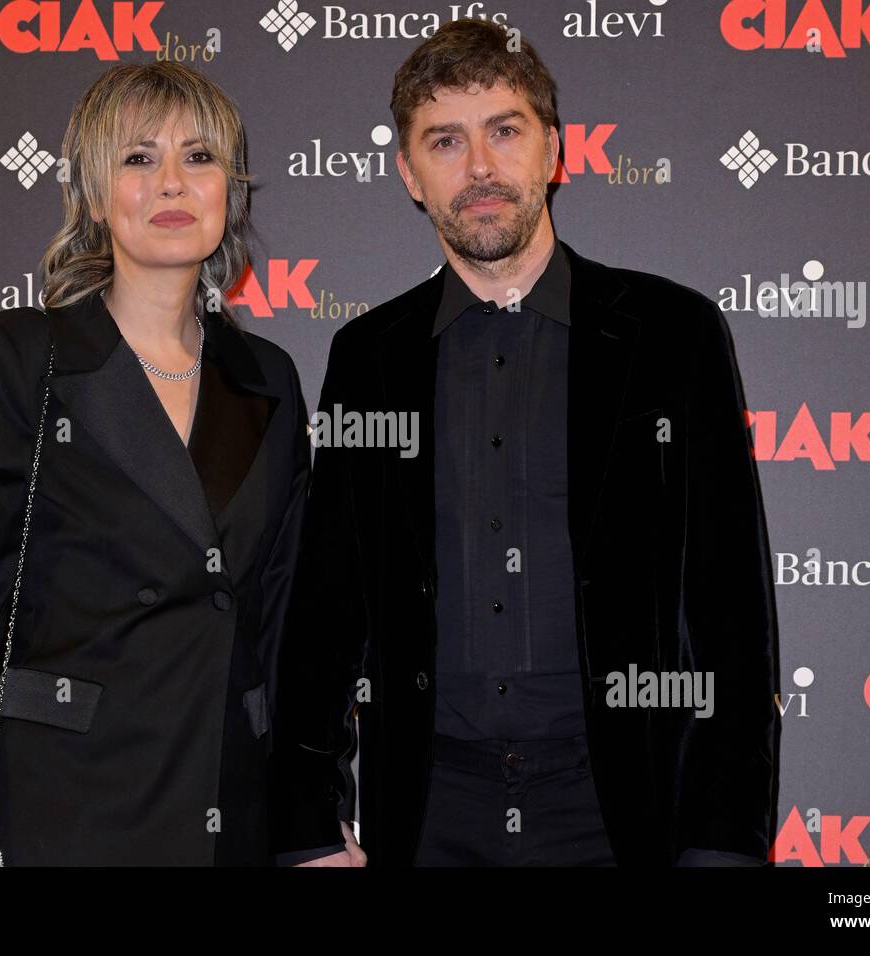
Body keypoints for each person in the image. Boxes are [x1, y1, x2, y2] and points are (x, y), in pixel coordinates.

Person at [271, 18, 781, 867]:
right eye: (445, 140)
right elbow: (327, 604)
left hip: (619, 814)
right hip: (431, 815)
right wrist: (307, 825)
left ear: (553, 150)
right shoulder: (371, 359)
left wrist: (724, 845)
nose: (478, 167)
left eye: (504, 131)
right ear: (408, 173)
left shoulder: (671, 336)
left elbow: (732, 613)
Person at [0, 61, 310, 865]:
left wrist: (308, 817)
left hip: (227, 807)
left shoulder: (268, 376)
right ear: (94, 196)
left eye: (199, 158)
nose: (172, 182)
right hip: (68, 808)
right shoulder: (20, 358)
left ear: (228, 192)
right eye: (138, 158)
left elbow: (283, 618)